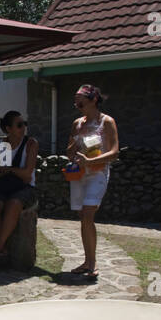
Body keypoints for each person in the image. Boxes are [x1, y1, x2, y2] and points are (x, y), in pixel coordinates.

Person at [65, 83, 119, 280]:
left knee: (88, 213)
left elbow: (114, 152)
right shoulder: (77, 123)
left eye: (80, 98)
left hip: (97, 172)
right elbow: (69, 152)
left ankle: (93, 263)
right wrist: (74, 141)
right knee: (82, 215)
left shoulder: (107, 122)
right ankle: (87, 261)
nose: (76, 102)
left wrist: (92, 161)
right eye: (75, 99)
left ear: (93, 99)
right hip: (79, 173)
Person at [0, 111, 38, 264]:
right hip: (4, 187)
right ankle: (2, 247)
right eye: (19, 125)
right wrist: (12, 171)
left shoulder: (30, 144)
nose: (23, 128)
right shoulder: (1, 145)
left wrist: (8, 170)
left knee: (14, 204)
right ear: (8, 129)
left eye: (24, 124)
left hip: (24, 188)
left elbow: (27, 175)